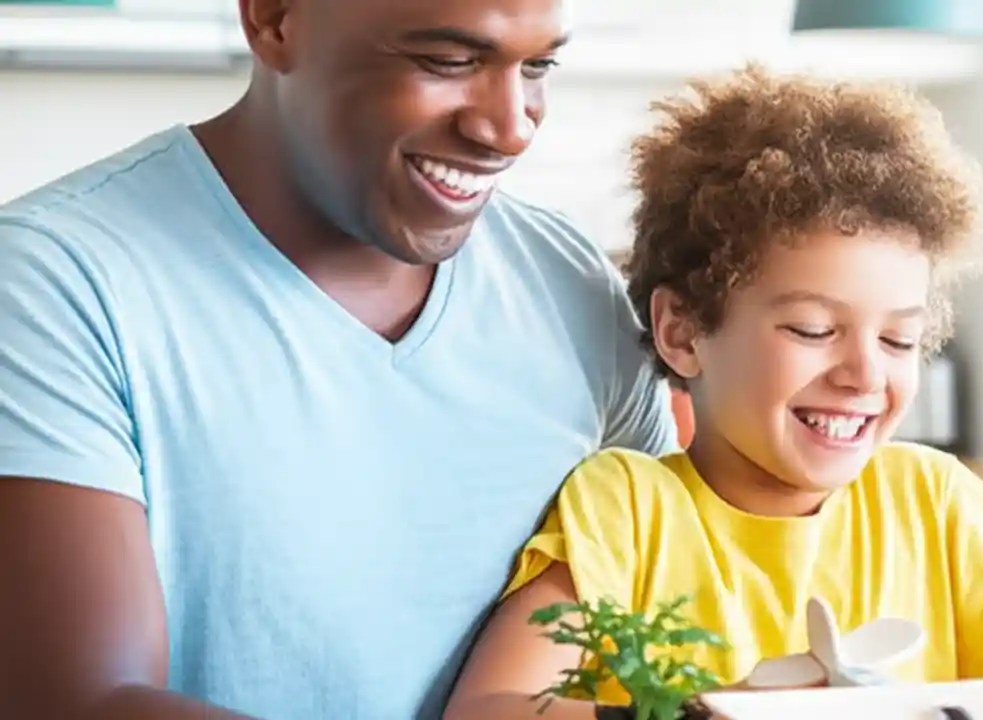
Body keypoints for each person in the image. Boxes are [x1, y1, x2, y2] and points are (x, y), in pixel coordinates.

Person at [0, 1, 677, 719]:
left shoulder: (569, 282)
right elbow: (77, 701)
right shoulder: (52, 284)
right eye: (448, 61)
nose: (511, 127)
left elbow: (687, 589)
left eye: (536, 66)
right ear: (274, 19)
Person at [442, 65, 983, 720]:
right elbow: (489, 710)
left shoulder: (938, 504)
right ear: (685, 331)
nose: (865, 375)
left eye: (899, 341)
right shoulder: (629, 512)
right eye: (814, 329)